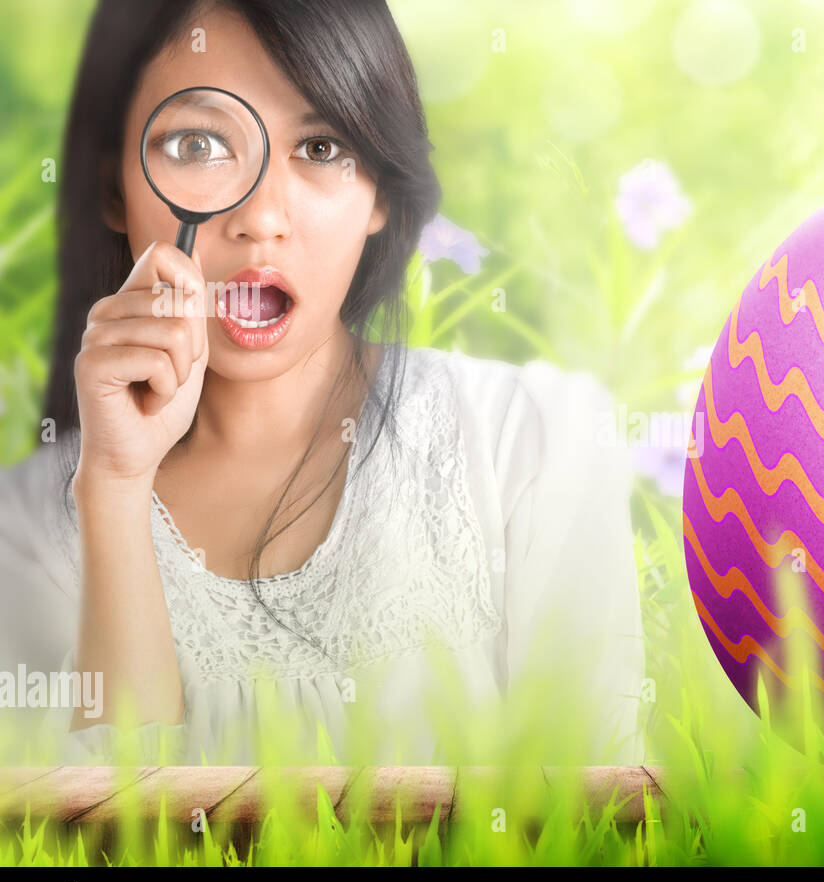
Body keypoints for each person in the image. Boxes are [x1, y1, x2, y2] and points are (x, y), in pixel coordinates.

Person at [0, 0, 646, 766]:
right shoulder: (23, 531)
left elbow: (596, 823)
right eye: (200, 144)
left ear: (380, 193)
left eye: (321, 145)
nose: (261, 217)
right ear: (115, 186)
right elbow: (107, 854)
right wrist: (112, 487)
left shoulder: (529, 442)